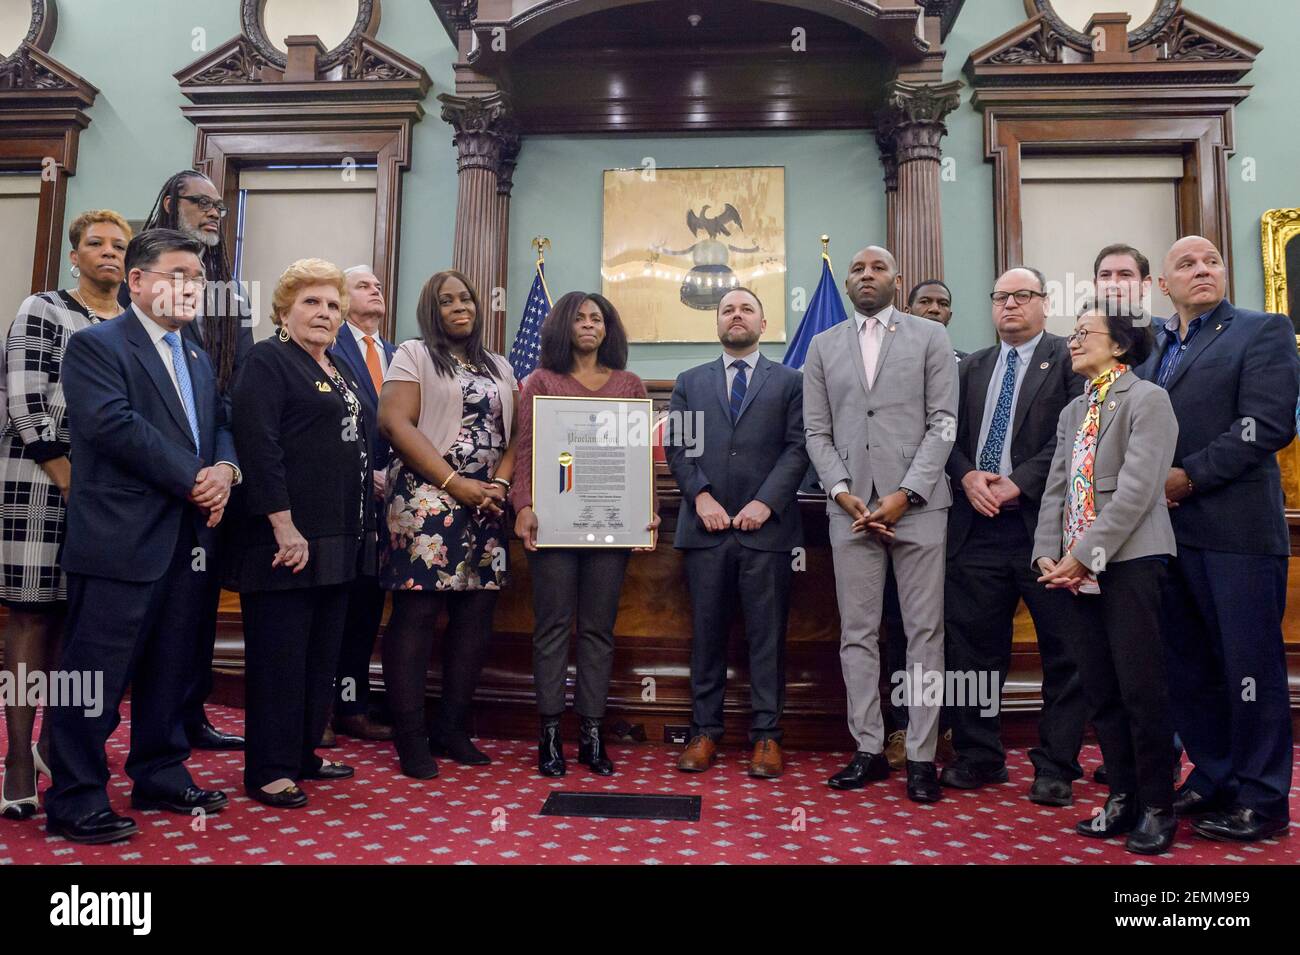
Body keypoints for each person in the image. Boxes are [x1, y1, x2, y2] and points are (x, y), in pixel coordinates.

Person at [45, 229, 235, 843]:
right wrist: (195, 479)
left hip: (189, 542)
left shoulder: (198, 355)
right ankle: (76, 795)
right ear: (138, 282)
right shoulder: (97, 346)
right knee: (94, 675)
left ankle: (159, 770)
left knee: (172, 667)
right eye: (178, 274)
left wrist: (226, 471)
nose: (191, 287)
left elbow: (220, 423)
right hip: (121, 540)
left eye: (198, 279)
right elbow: (113, 427)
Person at [1135, 235, 1300, 843]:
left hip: (1236, 535)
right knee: (1188, 667)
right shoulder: (1151, 349)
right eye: (1186, 264)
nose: (1201, 270)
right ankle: (1213, 773)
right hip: (1164, 536)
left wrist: (1189, 477)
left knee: (1248, 669)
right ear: (1164, 285)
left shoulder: (1262, 331)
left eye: (1211, 262)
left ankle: (1262, 798)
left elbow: (1267, 424)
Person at [802, 245, 958, 803]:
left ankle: (920, 755)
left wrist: (905, 494)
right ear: (846, 282)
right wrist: (844, 494)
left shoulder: (929, 337)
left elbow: (943, 424)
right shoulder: (822, 346)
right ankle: (868, 747)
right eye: (857, 268)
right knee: (857, 634)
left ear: (897, 278)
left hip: (918, 507)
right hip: (851, 513)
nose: (866, 275)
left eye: (877, 268)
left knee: (923, 634)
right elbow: (816, 433)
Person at [1034, 299, 1179, 855]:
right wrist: (1048, 554)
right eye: (1072, 333)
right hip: (1075, 572)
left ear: (1119, 344)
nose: (1072, 341)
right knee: (1100, 687)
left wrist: (1084, 554)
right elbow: (1054, 489)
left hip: (1130, 562)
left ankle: (1158, 806)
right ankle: (1121, 797)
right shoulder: (1073, 411)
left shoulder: (1149, 399)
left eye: (1084, 332)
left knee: (1141, 688)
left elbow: (1141, 493)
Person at [226, 258, 372, 809]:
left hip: (338, 538)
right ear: (284, 311)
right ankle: (268, 769)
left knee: (321, 656)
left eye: (333, 305)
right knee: (281, 657)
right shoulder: (267, 361)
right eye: (312, 302)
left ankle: (305, 751)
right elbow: (258, 447)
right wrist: (283, 525)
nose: (325, 312)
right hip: (283, 538)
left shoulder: (338, 366)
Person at [940, 267, 1088, 806]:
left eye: (1022, 296)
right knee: (972, 654)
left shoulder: (1068, 360)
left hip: (1042, 529)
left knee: (1064, 652)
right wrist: (967, 475)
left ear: (1044, 303)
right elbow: (942, 433)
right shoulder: (970, 367)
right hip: (974, 528)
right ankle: (979, 757)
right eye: (1000, 297)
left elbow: (1074, 439)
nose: (1010, 306)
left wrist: (1017, 484)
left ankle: (1055, 766)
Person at [0, 210, 131, 821]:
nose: (109, 253)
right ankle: (19, 757)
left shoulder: (135, 324)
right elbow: (26, 404)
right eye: (96, 244)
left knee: (79, 623)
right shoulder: (45, 309)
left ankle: (58, 744)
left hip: (111, 493)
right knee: (31, 615)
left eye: (120, 246)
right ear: (74, 256)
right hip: (42, 481)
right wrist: (77, 488)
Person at [512, 292, 660, 778]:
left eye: (598, 318)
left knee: (598, 630)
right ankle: (549, 733)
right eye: (580, 318)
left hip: (611, 527)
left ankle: (592, 734)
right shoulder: (539, 382)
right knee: (552, 628)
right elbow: (527, 452)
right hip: (553, 526)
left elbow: (640, 461)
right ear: (562, 326)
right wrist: (525, 506)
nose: (590, 325)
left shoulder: (629, 385)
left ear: (609, 329)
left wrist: (647, 513)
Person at [131, 168, 253, 751]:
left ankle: (188, 715)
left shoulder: (230, 293)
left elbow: (234, 391)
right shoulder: (139, 283)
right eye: (200, 203)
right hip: (143, 481)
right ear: (168, 202)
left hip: (212, 472)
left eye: (219, 208)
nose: (211, 213)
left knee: (197, 606)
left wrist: (224, 470)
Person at [378, 270, 517, 778]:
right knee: (416, 615)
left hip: (487, 505)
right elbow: (394, 423)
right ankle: (411, 738)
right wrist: (453, 482)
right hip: (426, 495)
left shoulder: (500, 365)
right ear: (430, 310)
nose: (459, 306)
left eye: (466, 297)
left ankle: (452, 728)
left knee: (476, 616)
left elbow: (517, 438)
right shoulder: (413, 354)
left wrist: (499, 485)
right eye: (446, 300)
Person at [668, 287, 808, 779]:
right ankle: (704, 732)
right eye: (728, 309)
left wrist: (764, 503)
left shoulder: (792, 381)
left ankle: (767, 737)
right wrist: (701, 496)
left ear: (762, 323)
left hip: (766, 533)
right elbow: (680, 449)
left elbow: (798, 449)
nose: (736, 315)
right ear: (717, 323)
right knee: (705, 637)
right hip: (703, 530)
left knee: (766, 639)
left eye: (747, 308)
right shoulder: (689, 381)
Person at [321, 265, 398, 744]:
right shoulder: (327, 346)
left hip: (389, 503)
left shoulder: (397, 353)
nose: (376, 289)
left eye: (379, 283)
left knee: (368, 607)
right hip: (339, 499)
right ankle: (319, 711)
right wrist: (359, 469)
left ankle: (351, 708)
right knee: (334, 607)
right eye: (363, 285)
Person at [907, 279, 966, 360]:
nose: (935, 309)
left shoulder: (967, 365)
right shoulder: (889, 359)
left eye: (943, 304)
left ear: (949, 316)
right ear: (907, 312)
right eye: (925, 302)